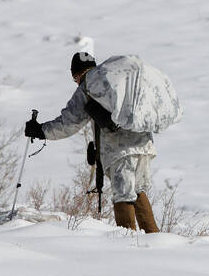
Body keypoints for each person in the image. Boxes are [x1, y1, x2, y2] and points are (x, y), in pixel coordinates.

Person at [26, 52, 159, 233]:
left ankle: (128, 243)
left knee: (123, 195)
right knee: (137, 190)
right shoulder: (116, 81)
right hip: (144, 143)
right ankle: (153, 239)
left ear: (77, 74)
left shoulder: (88, 85)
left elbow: (69, 122)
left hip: (120, 148)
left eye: (75, 79)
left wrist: (41, 131)